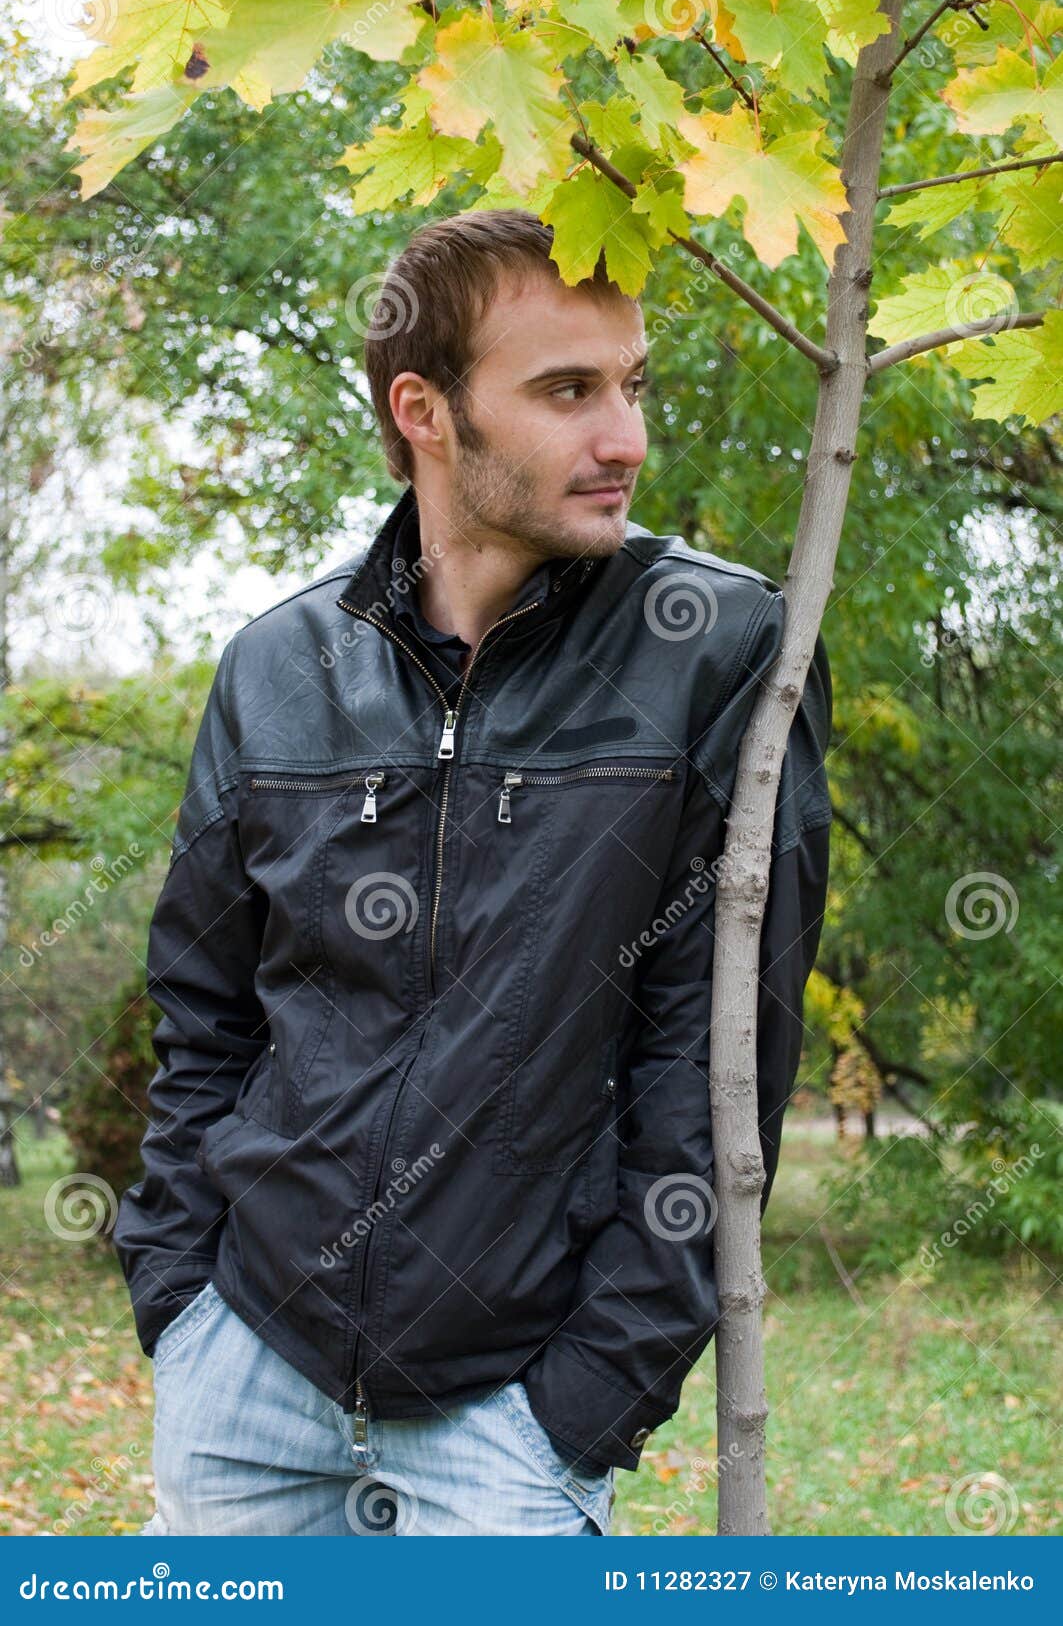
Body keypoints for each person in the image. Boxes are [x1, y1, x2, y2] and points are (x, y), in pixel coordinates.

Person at [115, 208, 832, 1536]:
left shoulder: (717, 651)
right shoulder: (279, 668)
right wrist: (183, 1300)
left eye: (631, 386)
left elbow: (718, 1062)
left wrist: (587, 1399)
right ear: (425, 410)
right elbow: (202, 1010)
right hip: (247, 1390)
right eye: (569, 390)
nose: (625, 437)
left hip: (509, 1427)